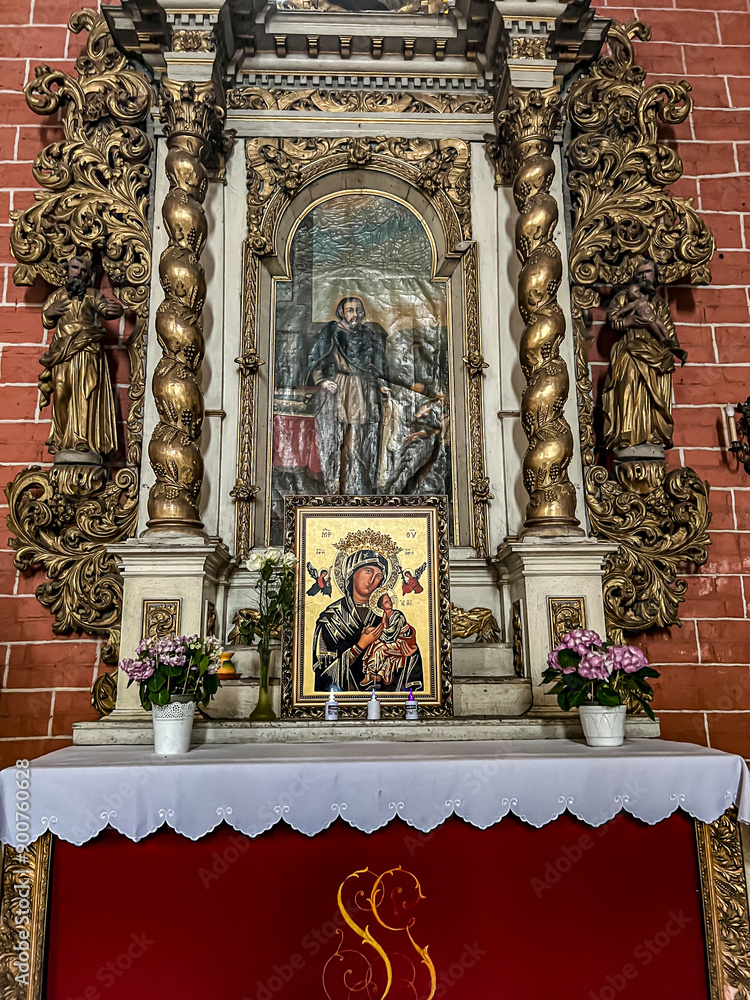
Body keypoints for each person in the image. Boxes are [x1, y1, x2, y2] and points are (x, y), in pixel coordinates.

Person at [38, 254, 123, 460]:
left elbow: (105, 309)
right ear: (68, 270)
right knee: (61, 389)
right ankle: (62, 438)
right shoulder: (58, 296)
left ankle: (81, 438)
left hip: (86, 348)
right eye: (75, 268)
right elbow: (47, 320)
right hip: (63, 351)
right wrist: (48, 313)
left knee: (85, 390)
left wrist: (116, 309)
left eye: (84, 270)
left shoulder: (92, 295)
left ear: (88, 275)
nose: (79, 273)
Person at [601, 259, 686, 454]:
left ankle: (653, 435)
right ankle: (627, 434)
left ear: (654, 276)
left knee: (653, 396)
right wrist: (628, 321)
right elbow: (613, 319)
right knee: (629, 389)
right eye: (640, 273)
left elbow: (668, 330)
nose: (644, 276)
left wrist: (675, 348)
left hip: (654, 352)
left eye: (648, 272)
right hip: (630, 349)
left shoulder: (658, 303)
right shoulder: (624, 298)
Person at [308, 296, 390, 494]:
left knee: (362, 437)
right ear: (342, 313)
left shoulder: (368, 334)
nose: (355, 314)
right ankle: (342, 485)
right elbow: (319, 359)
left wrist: (380, 385)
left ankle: (359, 484)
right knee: (342, 438)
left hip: (363, 389)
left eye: (357, 309)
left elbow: (373, 366)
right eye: (350, 310)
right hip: (342, 388)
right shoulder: (332, 332)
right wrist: (323, 381)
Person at [312, 548, 390, 692]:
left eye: (378, 575)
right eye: (368, 571)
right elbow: (323, 673)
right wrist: (360, 645)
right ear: (352, 573)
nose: (372, 580)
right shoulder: (330, 619)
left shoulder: (386, 616)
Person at [361, 592, 423, 692]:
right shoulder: (385, 616)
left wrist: (371, 630)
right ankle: (373, 674)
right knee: (374, 645)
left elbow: (390, 635)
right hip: (394, 641)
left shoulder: (398, 616)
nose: (390, 602)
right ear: (382, 606)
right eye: (386, 601)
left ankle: (374, 673)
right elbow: (383, 631)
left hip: (403, 643)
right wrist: (370, 630)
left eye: (389, 600)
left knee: (380, 648)